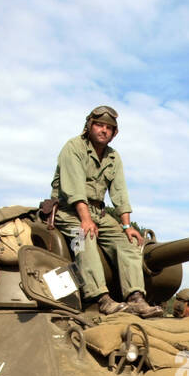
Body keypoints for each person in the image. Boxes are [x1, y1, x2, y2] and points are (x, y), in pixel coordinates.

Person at [51, 106, 162, 318]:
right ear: (89, 126)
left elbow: (119, 192)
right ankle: (100, 298)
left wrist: (127, 226)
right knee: (83, 238)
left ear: (114, 133)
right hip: (68, 212)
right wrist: (84, 219)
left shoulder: (113, 157)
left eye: (109, 128)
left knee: (128, 243)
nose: (104, 130)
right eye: (99, 125)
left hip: (98, 213)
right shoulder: (73, 148)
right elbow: (73, 189)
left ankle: (136, 297)